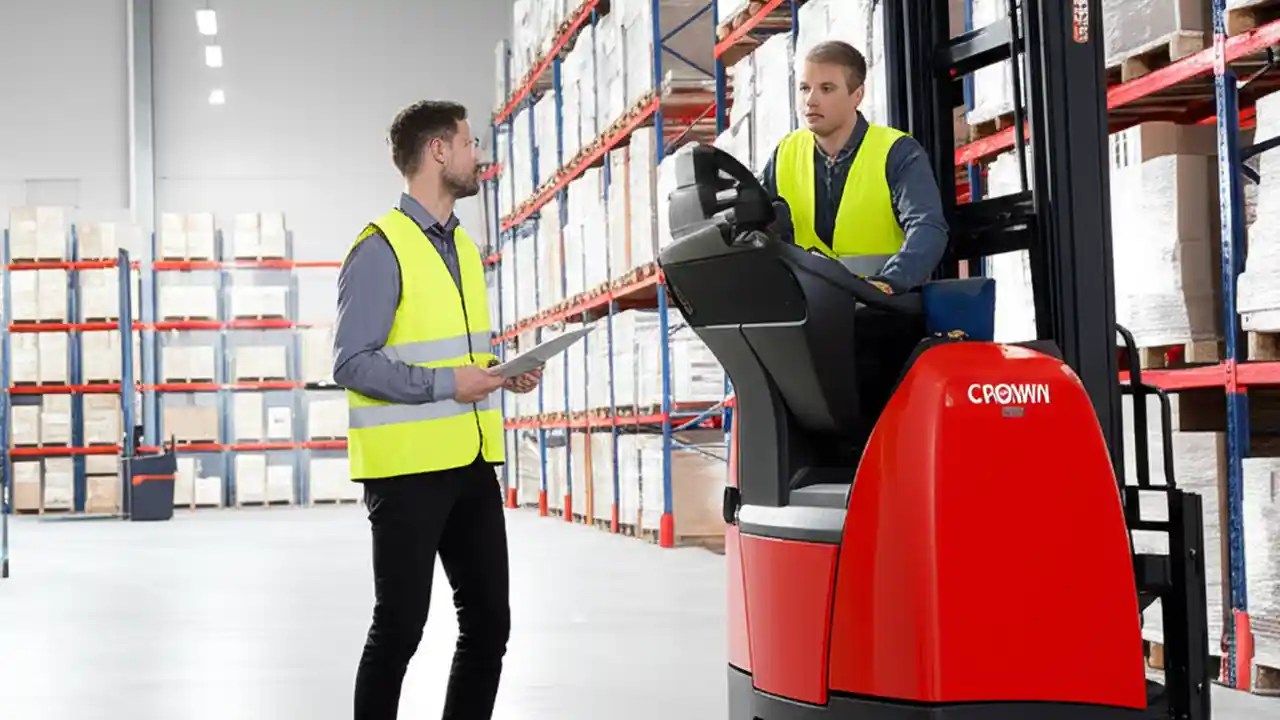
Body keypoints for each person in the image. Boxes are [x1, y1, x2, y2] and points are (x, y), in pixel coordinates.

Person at [333, 99, 540, 720]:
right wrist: (450, 384)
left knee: (489, 626)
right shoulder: (379, 248)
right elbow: (351, 362)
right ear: (438, 151)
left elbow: (458, 349)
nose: (480, 155)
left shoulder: (466, 249)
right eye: (470, 143)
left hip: (471, 460)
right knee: (399, 629)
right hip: (407, 472)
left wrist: (502, 373)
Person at [761, 40, 949, 295]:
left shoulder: (897, 151)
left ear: (857, 95)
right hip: (810, 309)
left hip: (884, 310)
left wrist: (890, 282)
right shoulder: (785, 153)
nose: (810, 100)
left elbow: (928, 227)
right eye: (804, 88)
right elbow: (755, 221)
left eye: (826, 89)